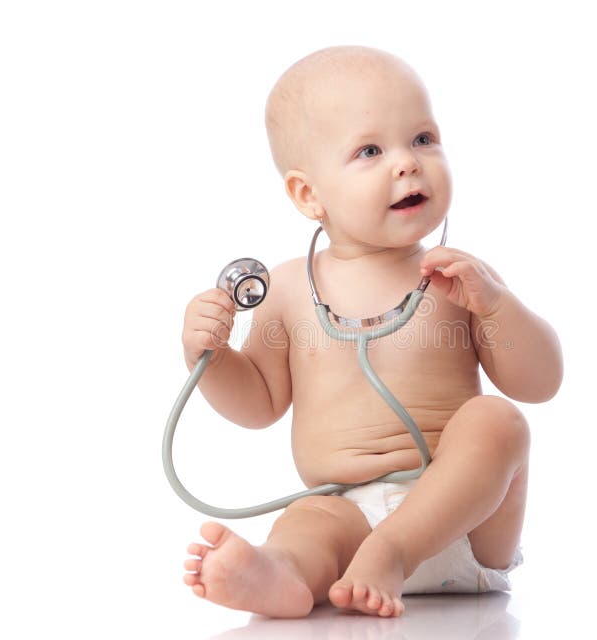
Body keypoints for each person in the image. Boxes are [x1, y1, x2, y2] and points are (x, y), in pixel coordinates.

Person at [180, 45, 563, 618]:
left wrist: (497, 306)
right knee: (307, 523)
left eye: (423, 139)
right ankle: (280, 574)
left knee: (499, 421)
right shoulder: (286, 291)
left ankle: (393, 551)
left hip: (462, 520)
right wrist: (206, 353)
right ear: (309, 195)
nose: (407, 162)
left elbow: (541, 382)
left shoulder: (460, 278)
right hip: (346, 520)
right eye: (369, 150)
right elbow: (258, 402)